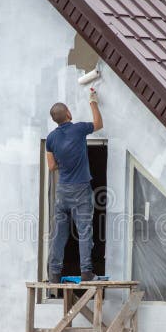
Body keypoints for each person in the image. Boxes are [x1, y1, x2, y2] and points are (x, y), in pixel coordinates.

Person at [46, 89, 103, 283]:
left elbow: (52, 166)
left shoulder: (51, 139)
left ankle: (54, 274)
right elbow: (98, 124)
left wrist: (65, 161)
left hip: (62, 190)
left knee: (59, 233)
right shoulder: (78, 129)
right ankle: (86, 272)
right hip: (80, 189)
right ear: (68, 113)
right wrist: (93, 102)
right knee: (85, 231)